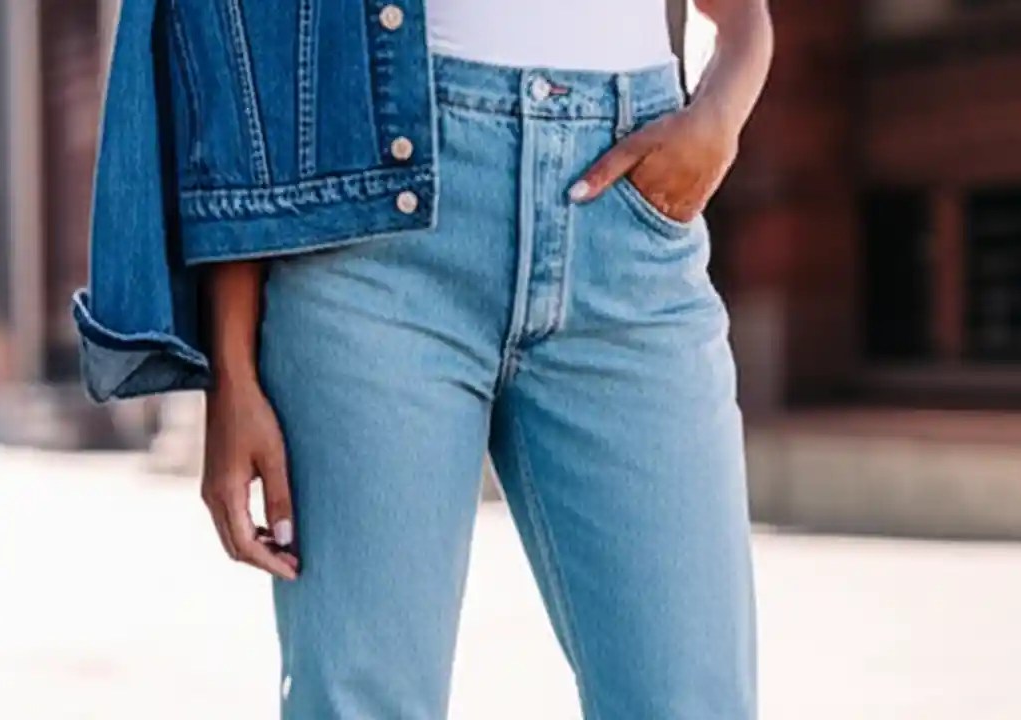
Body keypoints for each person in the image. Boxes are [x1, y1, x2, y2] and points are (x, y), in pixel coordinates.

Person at [74, 0, 771, 716]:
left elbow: (743, 14)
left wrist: (721, 113)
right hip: (367, 231)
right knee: (362, 701)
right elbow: (246, 36)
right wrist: (233, 373)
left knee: (693, 700)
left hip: (627, 224)